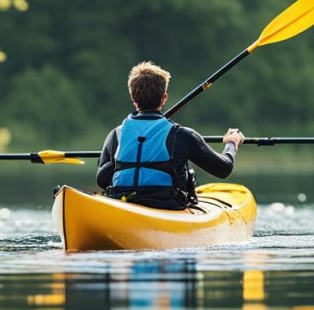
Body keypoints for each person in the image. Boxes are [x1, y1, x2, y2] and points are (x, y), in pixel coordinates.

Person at [97, 61, 245, 209]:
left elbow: (102, 181)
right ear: (164, 98)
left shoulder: (116, 134)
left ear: (133, 99)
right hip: (166, 205)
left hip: (123, 203)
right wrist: (231, 143)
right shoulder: (182, 135)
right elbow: (224, 169)